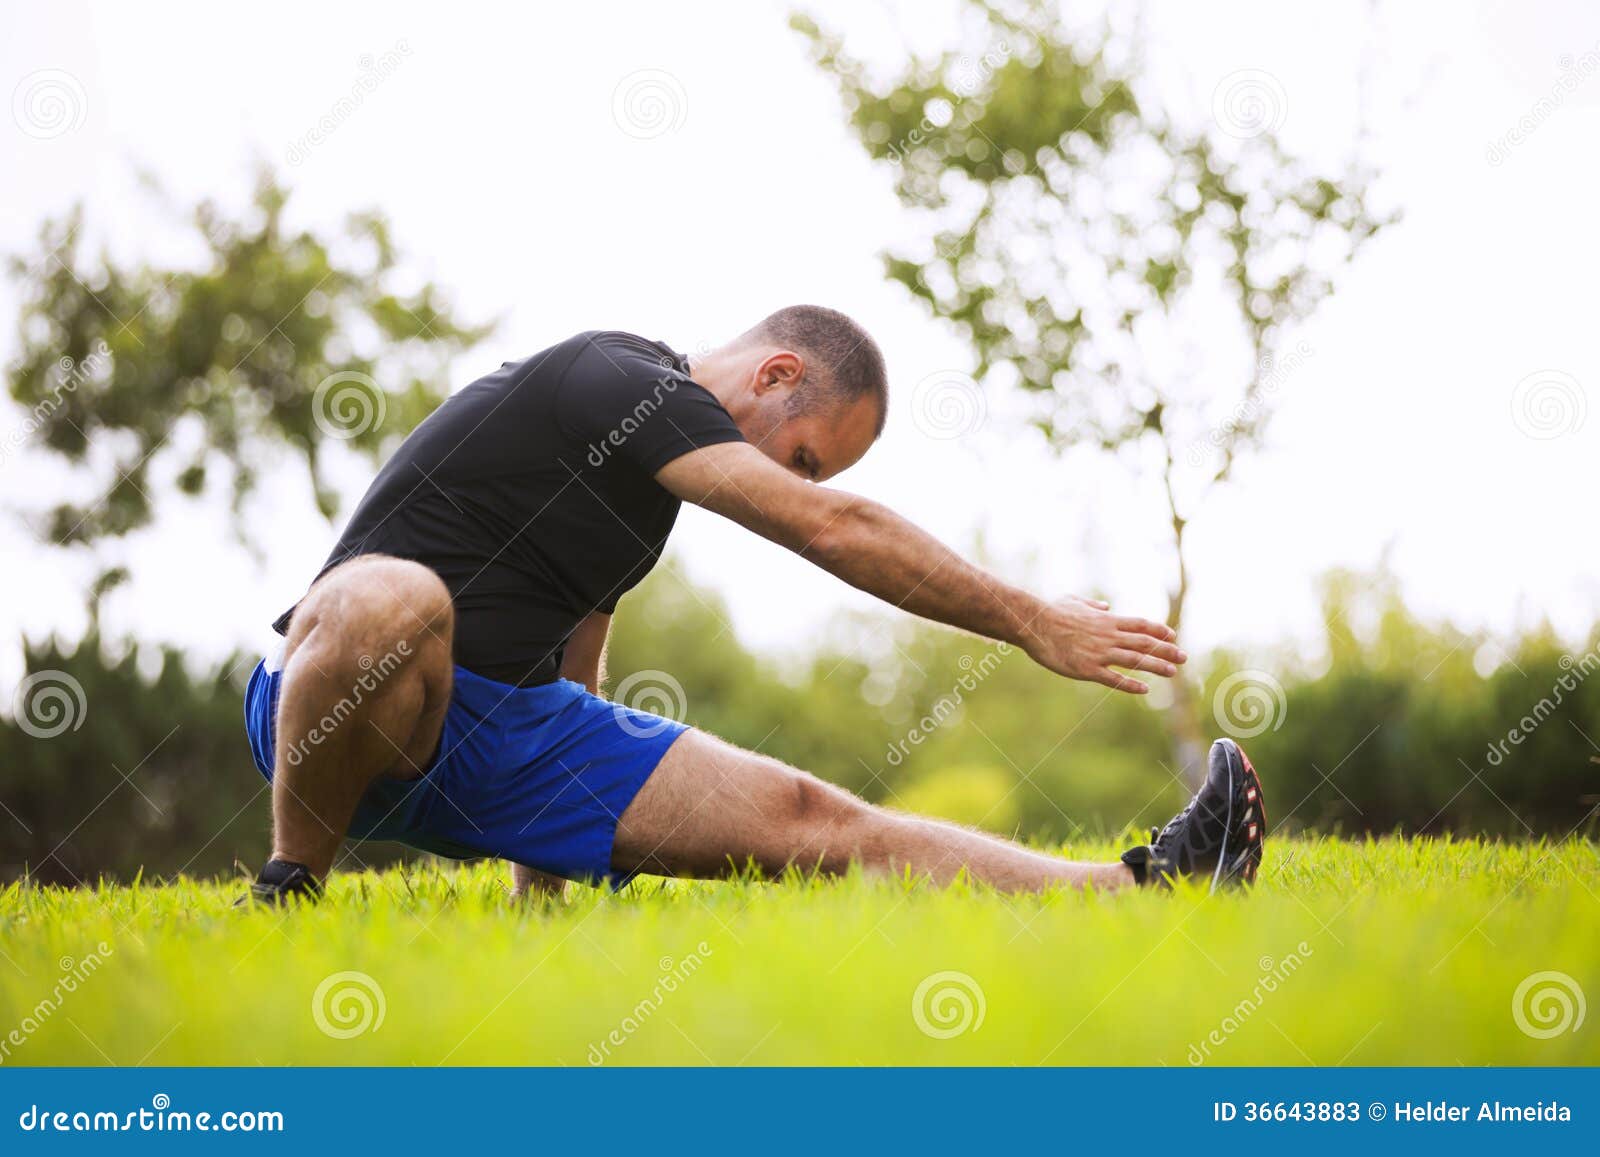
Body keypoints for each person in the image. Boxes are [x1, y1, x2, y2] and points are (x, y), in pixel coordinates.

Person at [241, 306, 1264, 905]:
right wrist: (1031, 618)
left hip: (499, 739)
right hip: (345, 700)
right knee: (396, 594)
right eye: (806, 457)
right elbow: (837, 531)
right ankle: (291, 883)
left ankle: (1140, 886)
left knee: (819, 818)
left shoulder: (641, 496)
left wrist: (540, 880)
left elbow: (576, 666)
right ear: (775, 374)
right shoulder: (613, 380)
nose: (802, 485)